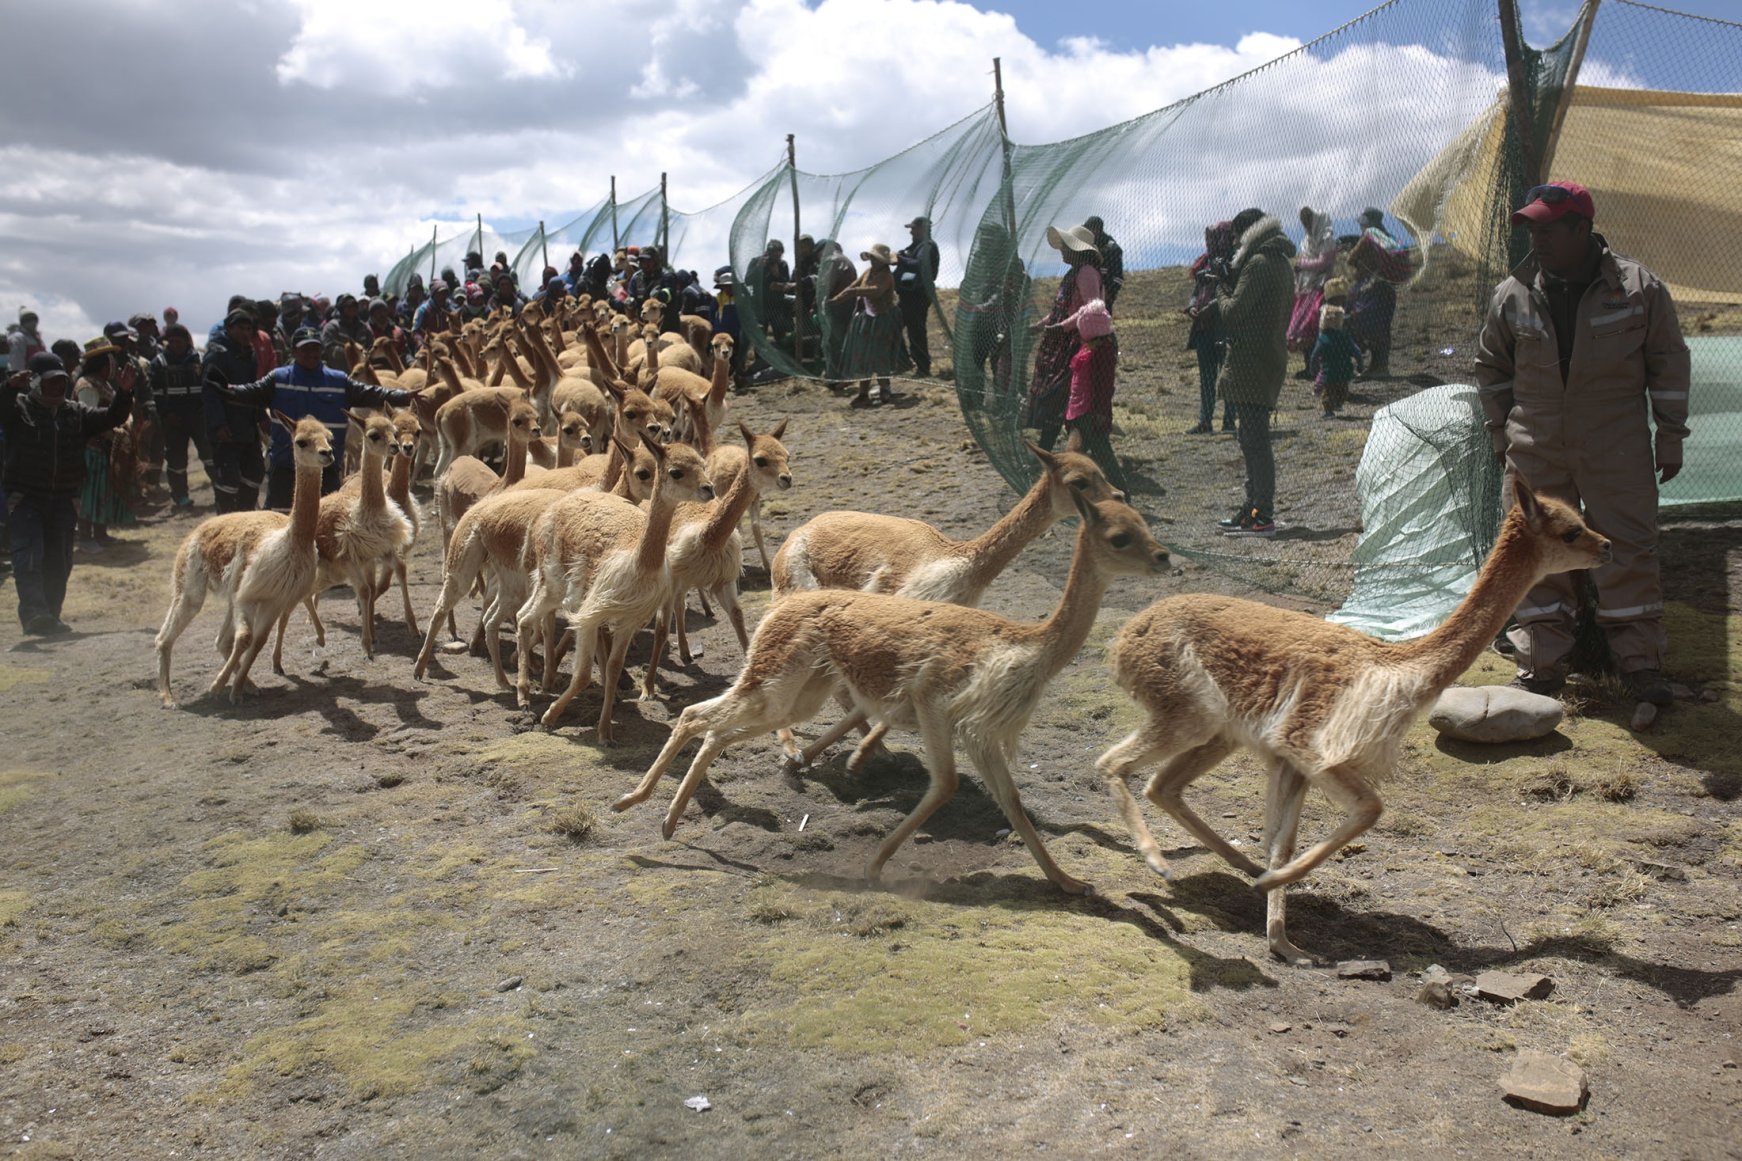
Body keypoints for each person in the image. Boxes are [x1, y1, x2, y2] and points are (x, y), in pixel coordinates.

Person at [1474, 181, 1690, 706]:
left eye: (1549, 229)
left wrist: (1670, 435)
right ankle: (1541, 666)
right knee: (1535, 551)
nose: (1538, 240)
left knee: (1628, 547)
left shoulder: (1638, 289)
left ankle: (1640, 666)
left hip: (1617, 443)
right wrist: (1501, 432)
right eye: (1533, 229)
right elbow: (1491, 367)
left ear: (1582, 229)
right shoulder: (1513, 293)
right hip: (1537, 445)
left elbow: (1668, 363)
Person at [210, 327, 419, 511]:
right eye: (305, 349)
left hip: (327, 468)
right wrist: (228, 390)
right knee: (280, 522)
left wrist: (405, 396)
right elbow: (252, 392)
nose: (311, 353)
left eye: (315, 348)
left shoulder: (338, 381)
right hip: (286, 468)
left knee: (326, 525)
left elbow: (371, 393)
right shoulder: (279, 379)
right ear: (294, 351)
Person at [2, 353, 133, 634]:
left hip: (63, 498)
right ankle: (34, 614)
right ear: (35, 382)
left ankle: (51, 615)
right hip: (24, 499)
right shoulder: (18, 408)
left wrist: (123, 393)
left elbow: (112, 417)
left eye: (61, 381)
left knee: (60, 562)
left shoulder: (76, 412)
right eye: (50, 381)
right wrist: (9, 388)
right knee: (29, 557)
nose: (57, 386)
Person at [1215, 207, 1296, 538]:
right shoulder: (1280, 263)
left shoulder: (1259, 263)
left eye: (1236, 237)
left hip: (1252, 361)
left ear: (1247, 233)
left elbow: (1233, 313)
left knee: (1255, 441)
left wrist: (1219, 288)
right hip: (1267, 358)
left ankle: (1261, 514)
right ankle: (1252, 509)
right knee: (1251, 437)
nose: (1234, 244)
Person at [1023, 224, 1103, 447]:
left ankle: (1053, 449)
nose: (1062, 251)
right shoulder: (1073, 273)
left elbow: (1092, 308)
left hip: (1074, 345)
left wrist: (1062, 327)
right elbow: (1061, 310)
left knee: (1059, 397)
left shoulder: (1086, 273)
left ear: (1077, 250)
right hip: (1060, 345)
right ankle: (1049, 449)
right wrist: (1040, 326)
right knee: (1054, 399)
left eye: (1066, 247)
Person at [1049, 298, 1128, 492]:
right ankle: (1087, 493)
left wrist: (1100, 412)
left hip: (1090, 412)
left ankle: (1120, 494)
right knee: (1082, 455)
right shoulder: (1090, 347)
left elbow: (1104, 387)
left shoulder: (1103, 352)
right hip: (1080, 410)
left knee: (1097, 456)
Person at [71, 338, 137, 550]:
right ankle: (85, 537)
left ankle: (101, 534)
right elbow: (89, 418)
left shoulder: (104, 384)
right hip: (91, 449)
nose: (114, 366)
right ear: (102, 363)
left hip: (105, 448)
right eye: (111, 361)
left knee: (103, 493)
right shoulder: (87, 386)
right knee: (90, 493)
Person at [202, 309, 268, 513]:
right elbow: (210, 393)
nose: (245, 333)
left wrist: (261, 417)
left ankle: (244, 515)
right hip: (227, 429)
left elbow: (253, 389)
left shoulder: (250, 355)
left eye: (249, 329)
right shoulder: (217, 355)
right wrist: (219, 424)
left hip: (247, 428)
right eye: (241, 328)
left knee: (254, 473)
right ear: (229, 329)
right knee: (228, 480)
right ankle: (225, 519)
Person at [831, 243, 912, 407]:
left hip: (883, 318)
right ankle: (863, 394)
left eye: (876, 258)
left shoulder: (886, 276)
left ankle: (885, 388)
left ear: (883, 262)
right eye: (872, 258)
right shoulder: (868, 272)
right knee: (863, 355)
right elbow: (853, 285)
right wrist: (837, 299)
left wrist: (854, 293)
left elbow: (876, 291)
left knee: (880, 354)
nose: (873, 261)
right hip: (867, 318)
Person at [149, 322, 212, 509]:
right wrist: (165, 414)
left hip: (199, 418)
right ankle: (180, 496)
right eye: (172, 341)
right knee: (176, 460)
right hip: (173, 421)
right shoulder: (159, 363)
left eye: (179, 341)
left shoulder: (200, 360)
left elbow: (209, 388)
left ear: (187, 341)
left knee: (209, 455)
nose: (175, 345)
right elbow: (155, 394)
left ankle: (220, 490)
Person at [1184, 221, 1236, 434]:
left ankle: (1229, 421)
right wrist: (1191, 307)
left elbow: (1231, 290)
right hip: (1203, 327)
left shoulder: (1234, 261)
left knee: (1227, 375)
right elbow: (1196, 291)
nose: (1212, 242)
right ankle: (1205, 421)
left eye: (1216, 237)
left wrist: (1211, 308)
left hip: (1222, 326)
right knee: (1206, 377)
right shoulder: (1205, 262)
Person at [1346, 207, 1408, 378]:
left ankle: (1368, 365)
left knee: (1363, 324)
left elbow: (1351, 258)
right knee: (1382, 328)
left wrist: (1351, 250)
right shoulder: (1389, 237)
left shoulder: (1369, 235)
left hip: (1370, 289)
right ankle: (1380, 367)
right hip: (1387, 289)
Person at [1286, 206, 1338, 376]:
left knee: (1312, 324)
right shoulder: (1307, 241)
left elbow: (1323, 263)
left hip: (1320, 286)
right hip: (1306, 287)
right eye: (1304, 222)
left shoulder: (1326, 239)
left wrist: (1302, 265)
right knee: (1301, 327)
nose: (1306, 225)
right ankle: (1309, 366)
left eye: (1309, 221)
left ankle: (1318, 367)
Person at [895, 215, 939, 376]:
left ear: (922, 229)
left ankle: (923, 368)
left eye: (914, 229)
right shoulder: (916, 246)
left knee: (916, 332)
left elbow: (920, 265)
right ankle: (903, 363)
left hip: (918, 295)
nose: (911, 232)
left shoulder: (928, 246)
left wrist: (900, 259)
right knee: (893, 325)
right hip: (908, 295)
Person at [815, 239, 859, 385]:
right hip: (848, 305)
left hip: (836, 306)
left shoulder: (832, 260)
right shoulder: (846, 260)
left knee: (833, 343)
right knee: (843, 342)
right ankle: (845, 375)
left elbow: (826, 285)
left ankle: (836, 378)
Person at [1308, 304, 1363, 417]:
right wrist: (1360, 365)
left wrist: (1313, 369)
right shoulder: (1345, 337)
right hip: (1345, 371)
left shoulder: (1323, 338)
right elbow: (1356, 351)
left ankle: (1329, 411)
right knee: (1342, 389)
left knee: (1328, 392)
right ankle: (1339, 403)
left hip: (1329, 372)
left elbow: (1314, 355)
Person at [1082, 216, 1124, 310]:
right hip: (1088, 292)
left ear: (1095, 230)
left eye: (1088, 230)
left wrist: (1109, 294)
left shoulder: (1113, 250)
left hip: (1105, 295)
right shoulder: (1089, 246)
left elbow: (1118, 277)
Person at [321, 293, 371, 371]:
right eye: (348, 306)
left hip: (361, 371)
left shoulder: (363, 327)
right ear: (341, 308)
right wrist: (351, 352)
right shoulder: (331, 327)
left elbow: (370, 345)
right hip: (339, 371)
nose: (352, 308)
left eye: (354, 306)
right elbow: (329, 349)